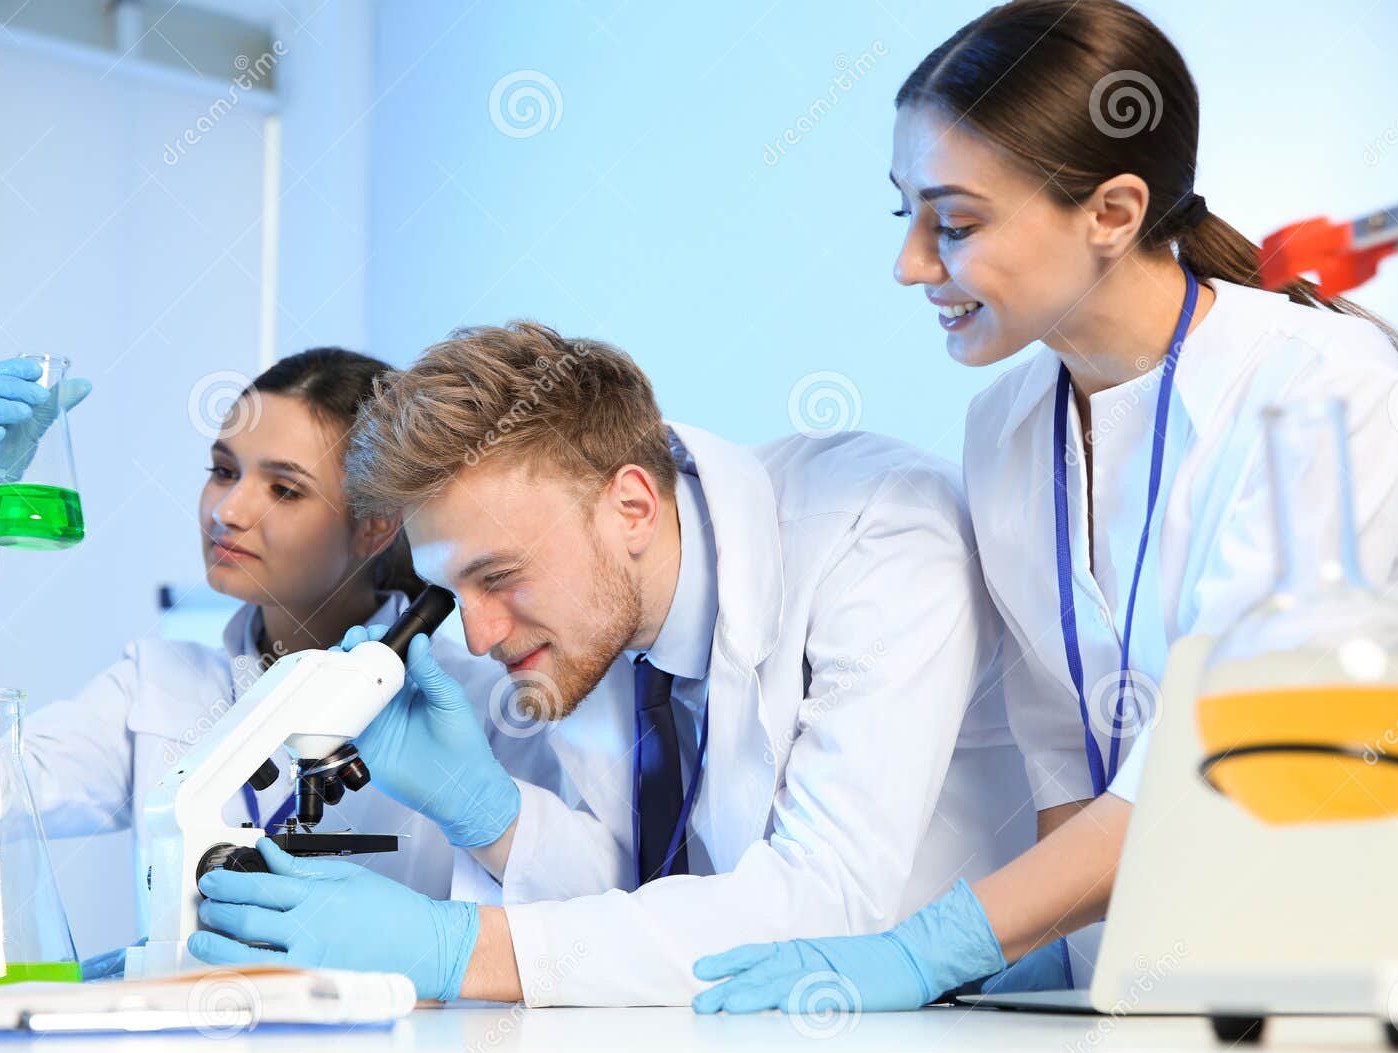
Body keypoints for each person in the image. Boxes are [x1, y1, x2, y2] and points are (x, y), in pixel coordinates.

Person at [689, 0, 1398, 1014]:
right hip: (1131, 999)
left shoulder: (1321, 390)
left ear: (1112, 213)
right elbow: (1066, 765)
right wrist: (1046, 969)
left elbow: (1214, 760)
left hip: (1330, 992)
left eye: (954, 223)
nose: (911, 263)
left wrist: (932, 945)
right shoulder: (1005, 426)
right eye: (907, 216)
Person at [187, 320, 1063, 1006]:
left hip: (973, 1033)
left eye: (499, 577)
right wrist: (488, 816)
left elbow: (823, 903)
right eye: (457, 589)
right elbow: (640, 893)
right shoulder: (605, 626)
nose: (483, 634)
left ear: (632, 506)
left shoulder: (878, 532)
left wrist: (461, 947)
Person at [0, 348, 499, 971]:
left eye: (284, 489)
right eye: (223, 471)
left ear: (375, 526)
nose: (227, 511)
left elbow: (557, 914)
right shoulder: (161, 684)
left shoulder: (470, 697)